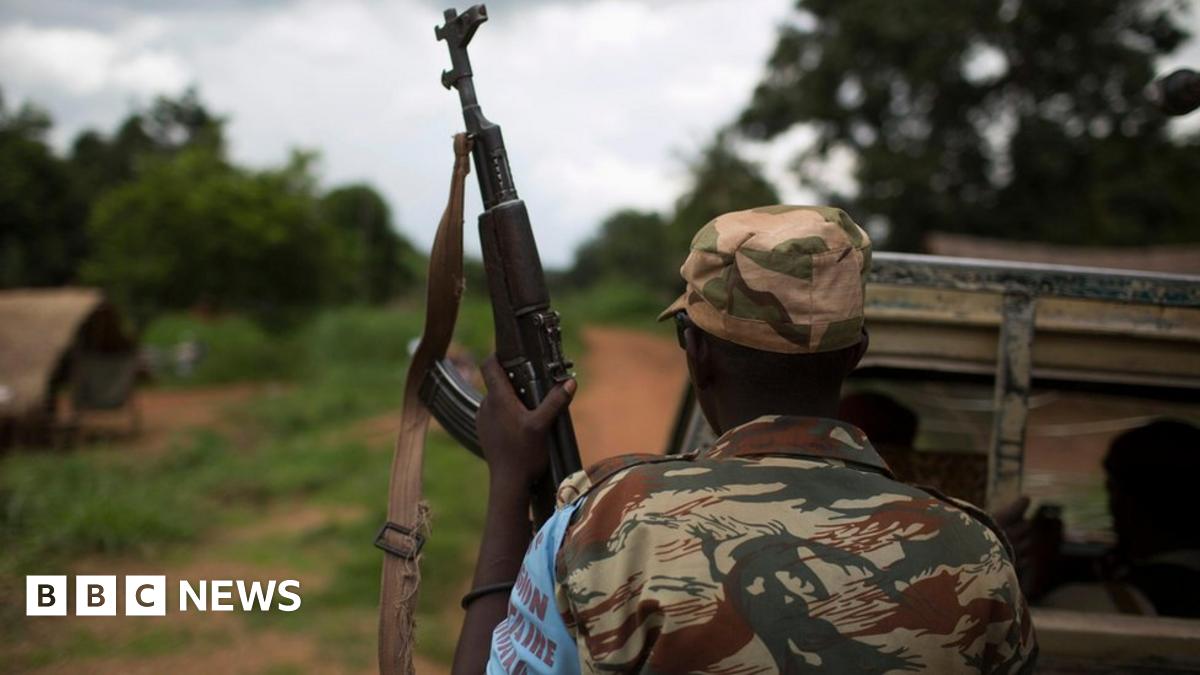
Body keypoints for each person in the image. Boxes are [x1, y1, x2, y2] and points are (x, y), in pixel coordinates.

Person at [453, 206, 1038, 673]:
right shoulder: (977, 554)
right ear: (855, 355)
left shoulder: (608, 524)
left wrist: (509, 483)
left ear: (697, 353)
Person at [1023, 420, 1200, 617]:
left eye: (1112, 490)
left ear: (1128, 504)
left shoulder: (1087, 604)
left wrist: (1038, 575)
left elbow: (1018, 636)